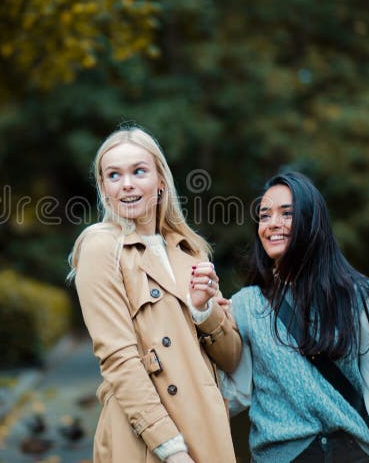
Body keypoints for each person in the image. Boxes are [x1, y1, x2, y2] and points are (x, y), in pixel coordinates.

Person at [68, 126, 242, 463]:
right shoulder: (101, 247)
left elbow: (232, 358)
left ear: (160, 180)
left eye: (139, 171)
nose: (127, 184)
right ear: (103, 187)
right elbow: (119, 360)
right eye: (114, 175)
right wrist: (171, 450)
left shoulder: (191, 250)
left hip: (207, 428)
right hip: (147, 440)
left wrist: (203, 311)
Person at [221, 172, 369, 462]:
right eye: (265, 215)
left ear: (311, 221)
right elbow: (235, 395)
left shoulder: (359, 296)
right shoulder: (245, 305)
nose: (273, 223)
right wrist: (205, 321)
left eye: (287, 214)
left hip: (351, 454)